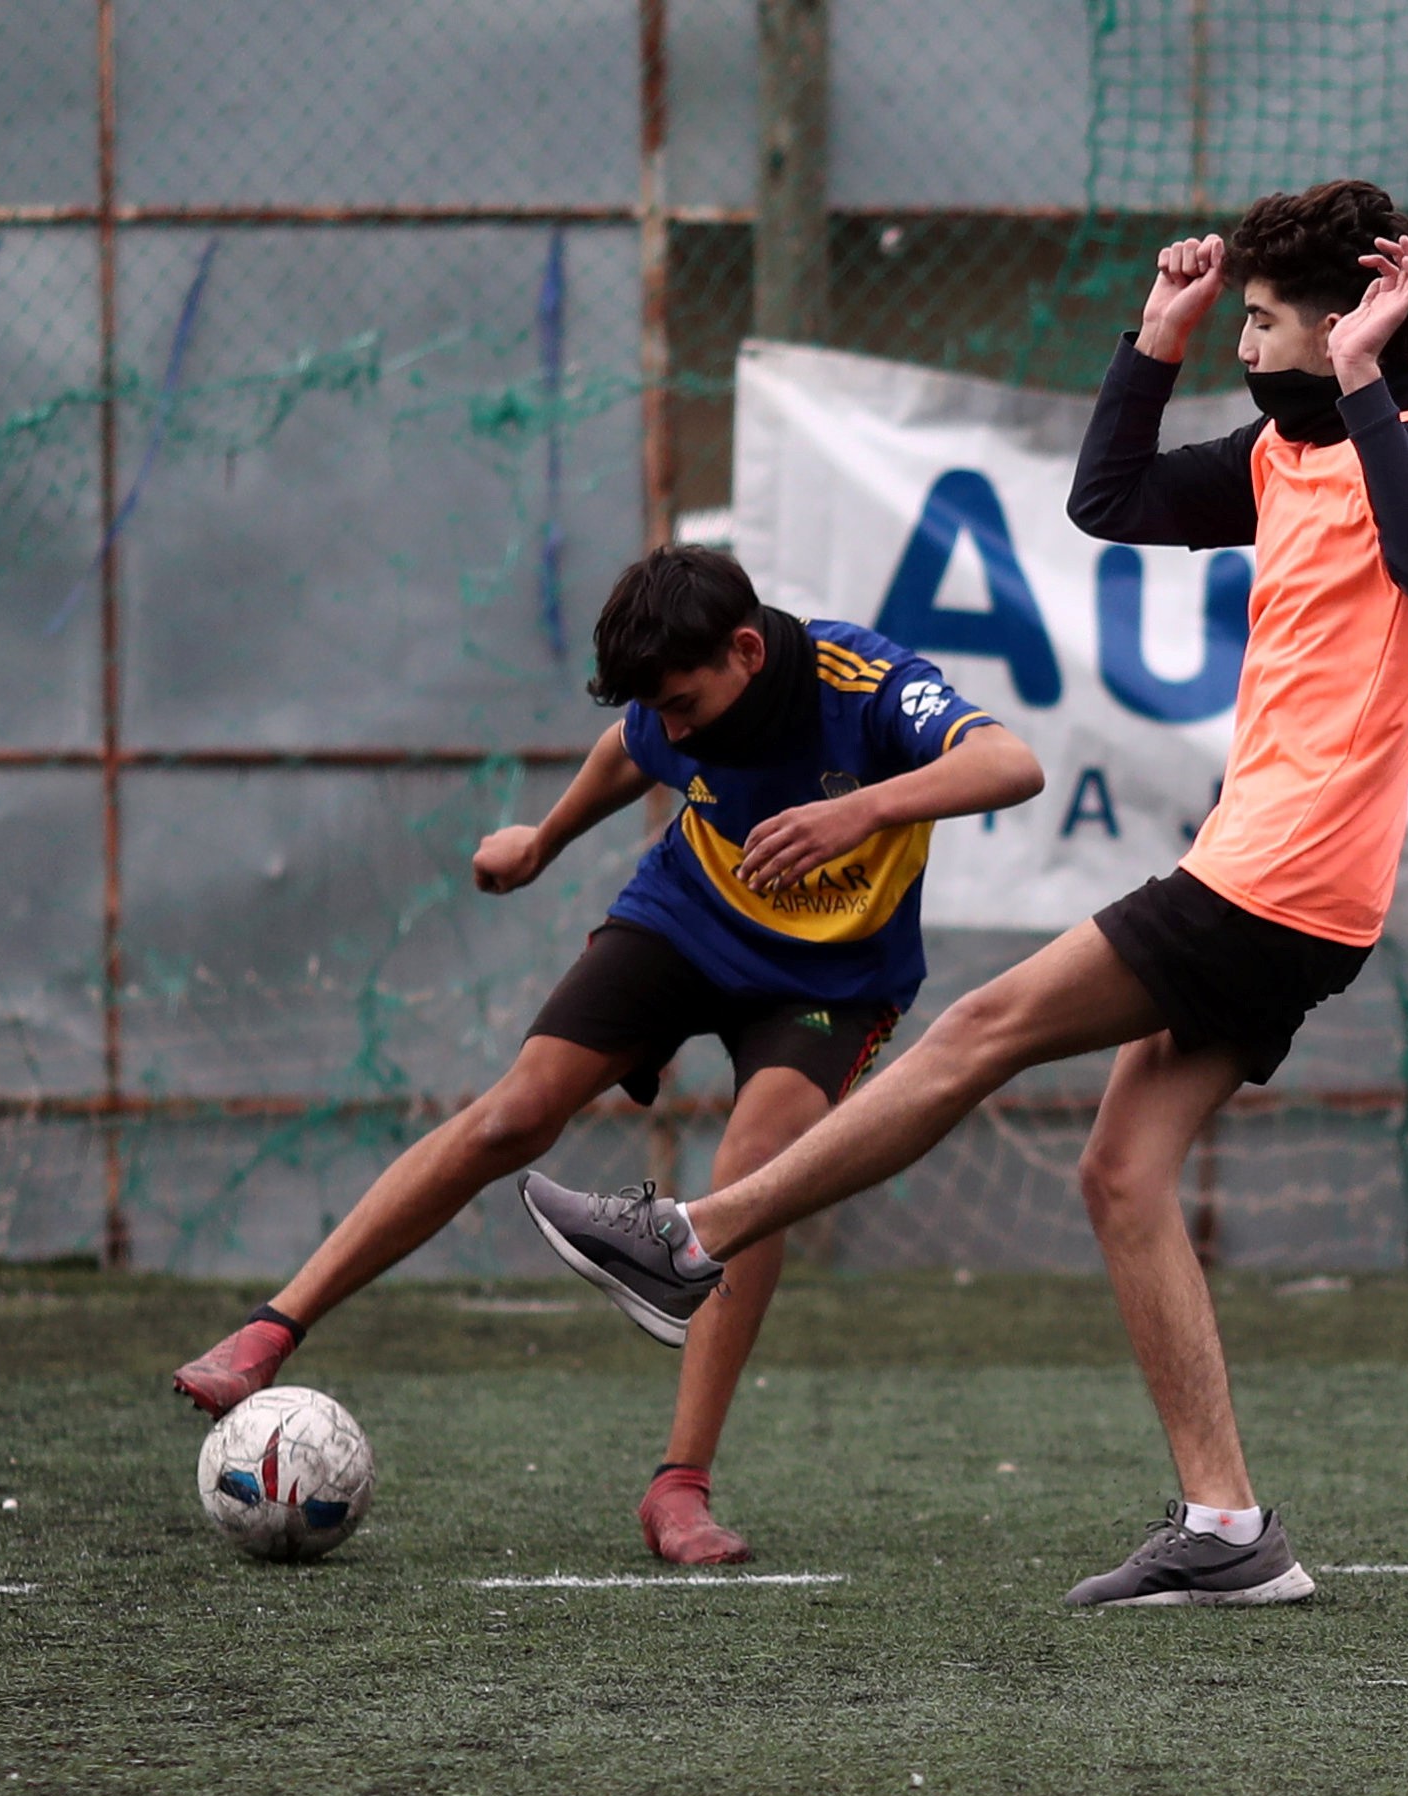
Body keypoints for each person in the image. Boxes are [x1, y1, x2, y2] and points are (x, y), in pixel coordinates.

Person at [521, 178, 1408, 1609]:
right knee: (1120, 1169)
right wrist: (1153, 338)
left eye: (1259, 321)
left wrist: (1360, 375)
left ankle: (692, 1241)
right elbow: (1109, 498)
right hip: (1277, 880)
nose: (1241, 343)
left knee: (976, 1029)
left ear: (1342, 325)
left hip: (1278, 880)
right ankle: (1226, 1529)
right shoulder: (1275, 459)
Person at [172, 545, 1040, 1565]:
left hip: (831, 981)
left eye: (682, 701)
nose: (671, 725)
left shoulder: (865, 684)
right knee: (514, 1113)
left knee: (758, 1169)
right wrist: (542, 841)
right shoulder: (668, 710)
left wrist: (860, 807)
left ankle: (679, 1486)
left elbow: (1012, 765)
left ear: (746, 651)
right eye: (657, 706)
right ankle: (270, 1331)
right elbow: (627, 750)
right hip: (687, 923)